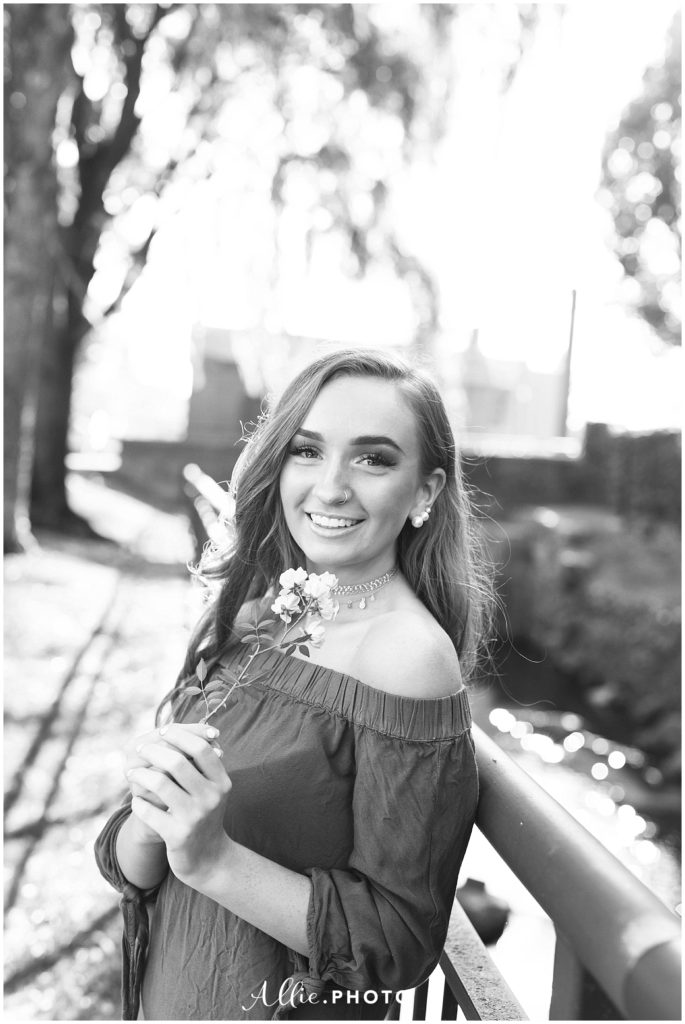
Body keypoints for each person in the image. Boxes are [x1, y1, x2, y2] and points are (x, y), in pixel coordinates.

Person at [95, 348, 494, 1021]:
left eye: (373, 459)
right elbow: (135, 865)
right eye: (307, 451)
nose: (331, 487)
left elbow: (396, 943)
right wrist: (155, 813)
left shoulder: (407, 658)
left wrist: (214, 859)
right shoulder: (261, 610)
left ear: (425, 492)